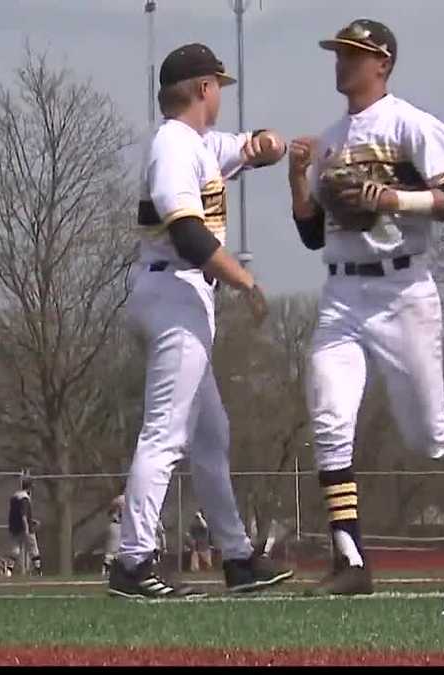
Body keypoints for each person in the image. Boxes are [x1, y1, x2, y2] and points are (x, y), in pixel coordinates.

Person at [289, 19, 444, 597]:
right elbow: (312, 236)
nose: (342, 63)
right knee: (329, 419)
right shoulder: (329, 139)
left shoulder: (412, 124)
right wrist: (298, 185)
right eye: (339, 54)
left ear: (383, 63)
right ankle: (351, 561)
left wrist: (392, 197)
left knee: (426, 437)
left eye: (354, 55)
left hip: (404, 293)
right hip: (342, 293)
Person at [110, 42, 293, 600]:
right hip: (174, 289)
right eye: (217, 86)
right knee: (165, 432)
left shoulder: (197, 142)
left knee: (211, 435)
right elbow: (189, 236)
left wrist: (268, 145)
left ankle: (236, 557)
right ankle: (133, 560)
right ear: (203, 88)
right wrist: (244, 280)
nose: (220, 96)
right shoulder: (171, 145)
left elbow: (248, 149)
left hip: (181, 292)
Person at [6, 477, 42, 576]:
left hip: (14, 528)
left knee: (15, 549)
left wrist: (32, 521)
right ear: (30, 487)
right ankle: (39, 571)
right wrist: (26, 528)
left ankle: (8, 571)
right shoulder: (24, 498)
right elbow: (23, 515)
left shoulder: (14, 497)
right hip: (25, 528)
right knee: (33, 549)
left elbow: (16, 514)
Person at [102, 494, 124, 576]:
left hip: (116, 525)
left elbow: (109, 512)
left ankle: (109, 569)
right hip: (120, 525)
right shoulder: (128, 498)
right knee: (114, 550)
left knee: (113, 550)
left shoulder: (118, 499)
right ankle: (108, 569)